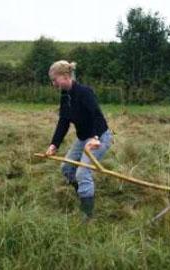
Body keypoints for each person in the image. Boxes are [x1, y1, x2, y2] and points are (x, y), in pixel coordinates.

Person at [45, 60, 113, 222]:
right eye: (52, 80)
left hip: (100, 137)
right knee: (66, 168)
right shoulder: (65, 95)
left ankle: (87, 216)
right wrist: (54, 144)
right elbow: (63, 121)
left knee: (83, 172)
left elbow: (96, 115)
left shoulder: (85, 92)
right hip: (83, 138)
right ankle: (83, 194)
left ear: (66, 76)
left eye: (55, 80)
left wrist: (96, 138)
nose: (53, 83)